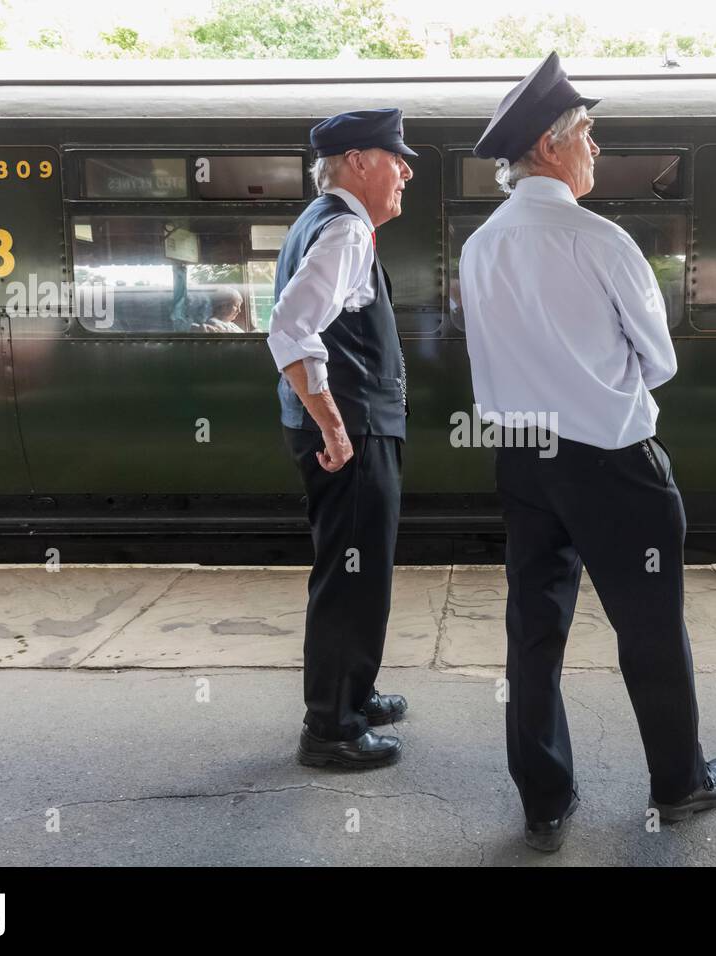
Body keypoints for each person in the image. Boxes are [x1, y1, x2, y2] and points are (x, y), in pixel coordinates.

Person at [459, 52, 716, 852]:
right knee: (649, 626)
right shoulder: (600, 239)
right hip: (614, 463)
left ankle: (544, 801)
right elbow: (661, 361)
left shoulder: (482, 247)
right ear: (550, 146)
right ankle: (677, 783)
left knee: (533, 631)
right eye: (588, 135)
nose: (595, 150)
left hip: (521, 456)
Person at [266, 108, 415, 769]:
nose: (406, 169)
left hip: (348, 427)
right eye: (394, 156)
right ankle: (331, 727)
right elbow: (291, 327)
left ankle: (354, 692)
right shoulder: (348, 229)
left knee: (355, 570)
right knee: (352, 576)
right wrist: (333, 422)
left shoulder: (321, 220)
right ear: (358, 161)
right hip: (350, 433)